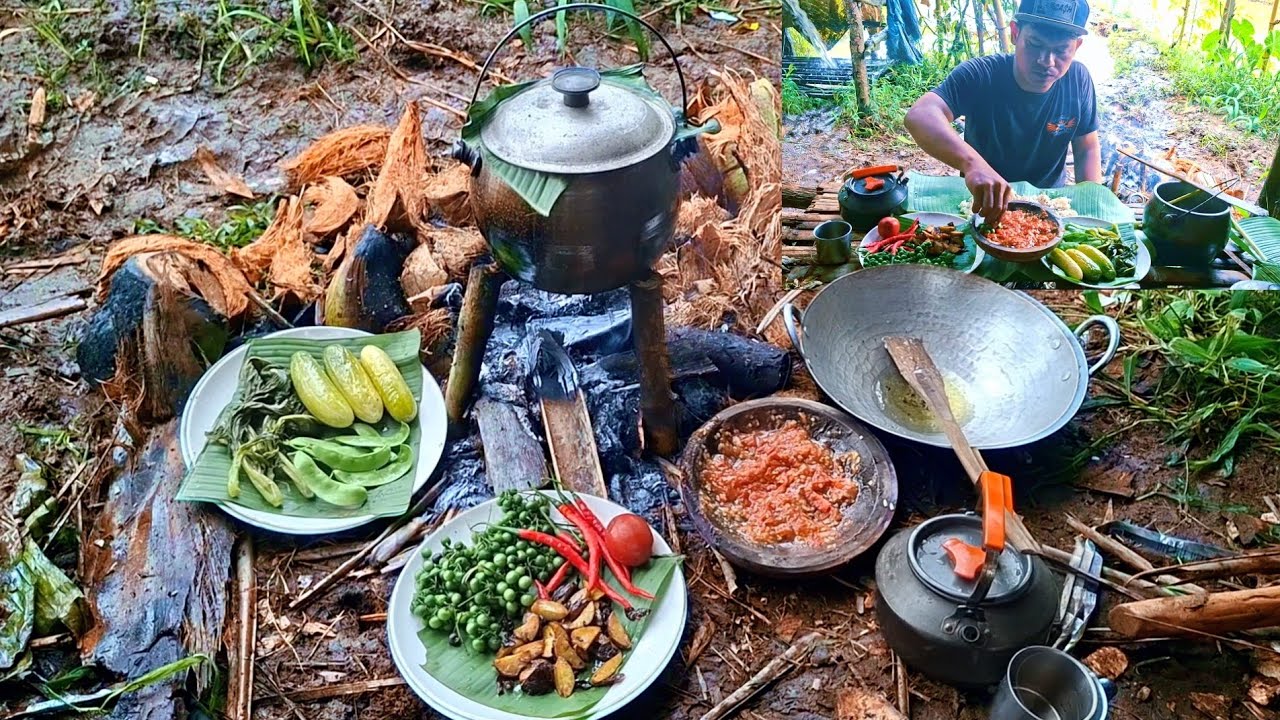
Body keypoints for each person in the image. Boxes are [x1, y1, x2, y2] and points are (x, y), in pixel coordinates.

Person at [903, 0, 1103, 223]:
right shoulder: (981, 74)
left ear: (1076, 46)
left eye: (1060, 50)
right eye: (1035, 44)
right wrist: (973, 165)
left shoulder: (1078, 80)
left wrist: (1091, 207)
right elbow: (920, 115)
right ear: (1015, 33)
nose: (1046, 61)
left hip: (1050, 206)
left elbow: (1087, 149)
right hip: (983, 204)